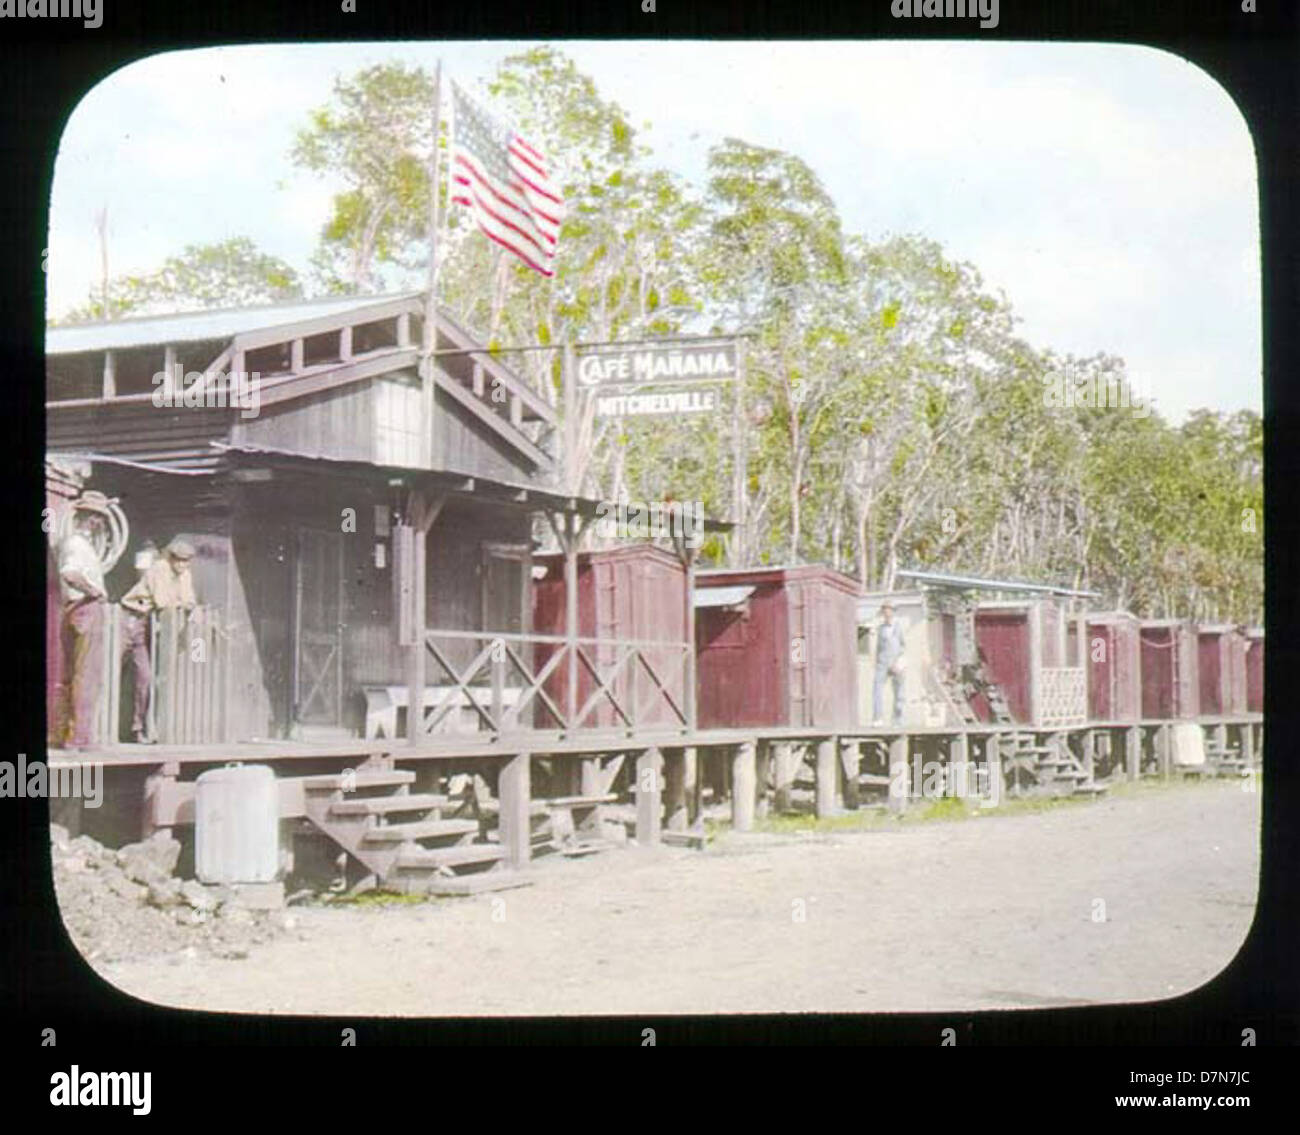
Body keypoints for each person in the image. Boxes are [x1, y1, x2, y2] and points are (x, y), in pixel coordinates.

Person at [120, 538, 198, 743]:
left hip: (157, 626)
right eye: (178, 560)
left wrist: (186, 604)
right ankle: (135, 729)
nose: (182, 565)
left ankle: (144, 728)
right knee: (135, 675)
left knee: (151, 677)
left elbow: (189, 599)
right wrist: (183, 604)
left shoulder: (185, 575)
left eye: (186, 561)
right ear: (170, 558)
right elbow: (164, 602)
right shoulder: (159, 569)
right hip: (135, 621)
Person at [58, 501, 110, 750]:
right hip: (86, 608)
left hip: (77, 609)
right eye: (98, 518)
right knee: (87, 675)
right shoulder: (77, 545)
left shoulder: (77, 544)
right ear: (91, 518)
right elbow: (69, 573)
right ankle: (79, 737)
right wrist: (94, 592)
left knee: (78, 674)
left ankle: (76, 735)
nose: (100, 523)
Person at [873, 601, 906, 726]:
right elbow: (878, 646)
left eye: (889, 610)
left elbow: (904, 646)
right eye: (884, 610)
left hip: (896, 661)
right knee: (877, 689)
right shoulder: (881, 628)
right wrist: (877, 660)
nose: (886, 612)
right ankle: (877, 717)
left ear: (893, 611)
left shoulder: (899, 627)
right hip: (883, 662)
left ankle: (898, 719)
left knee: (899, 692)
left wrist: (899, 662)